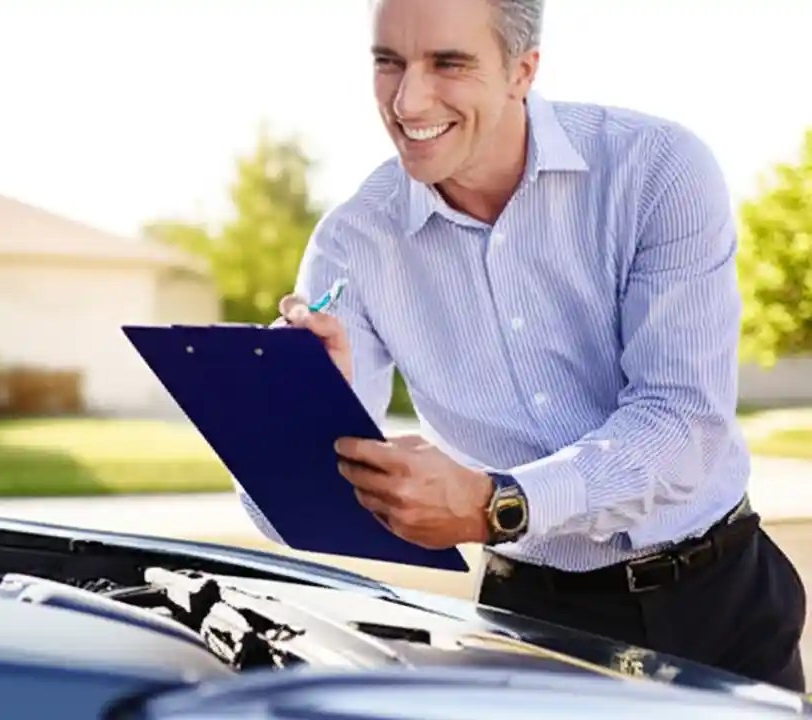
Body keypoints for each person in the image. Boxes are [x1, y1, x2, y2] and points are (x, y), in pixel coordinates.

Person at [242, 0, 807, 692]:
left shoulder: (657, 171)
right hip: (530, 614)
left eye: (448, 63)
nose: (407, 99)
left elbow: (681, 423)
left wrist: (498, 502)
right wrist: (296, 411)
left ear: (522, 70)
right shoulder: (352, 242)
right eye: (388, 62)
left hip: (717, 600)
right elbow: (294, 514)